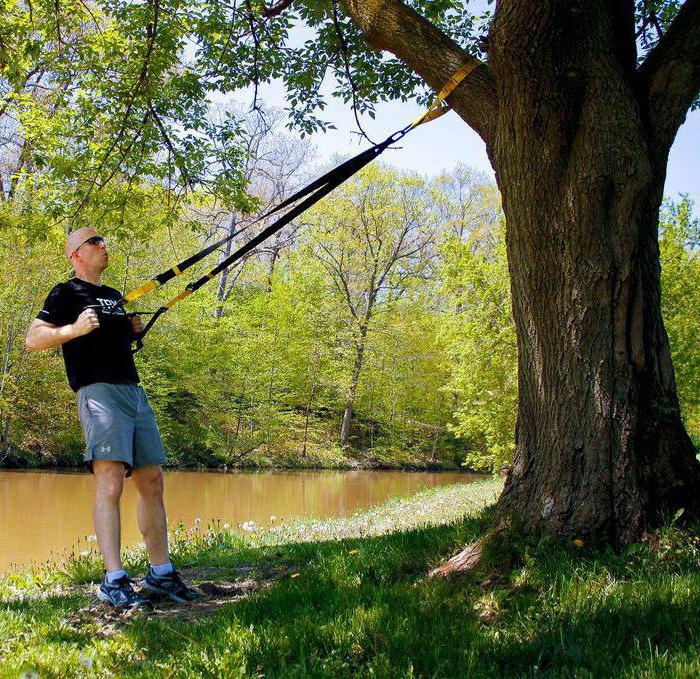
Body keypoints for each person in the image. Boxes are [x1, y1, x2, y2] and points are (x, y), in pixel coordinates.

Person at [26, 227, 199, 610]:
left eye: (104, 241)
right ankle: (114, 579)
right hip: (98, 391)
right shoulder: (65, 293)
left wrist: (132, 329)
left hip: (132, 390)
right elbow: (33, 338)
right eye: (94, 242)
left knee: (152, 480)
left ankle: (160, 574)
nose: (103, 247)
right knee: (110, 482)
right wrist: (73, 329)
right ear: (75, 254)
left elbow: (118, 339)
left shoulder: (113, 297)